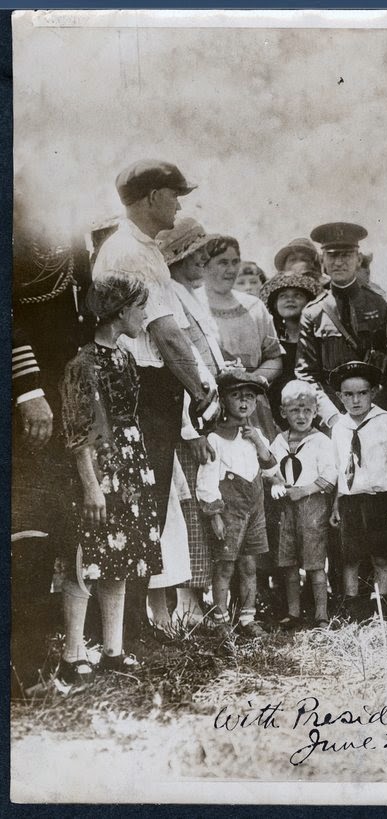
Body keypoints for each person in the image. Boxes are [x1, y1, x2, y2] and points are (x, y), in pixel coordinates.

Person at [91, 159, 216, 637]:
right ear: (151, 198)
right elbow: (164, 332)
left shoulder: (143, 248)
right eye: (174, 195)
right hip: (139, 386)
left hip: (148, 385)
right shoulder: (131, 252)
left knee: (150, 502)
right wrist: (201, 390)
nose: (179, 205)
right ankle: (128, 632)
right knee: (140, 503)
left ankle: (133, 628)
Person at [58, 272, 163, 685]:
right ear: (120, 312)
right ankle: (72, 654)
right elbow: (79, 432)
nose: (144, 316)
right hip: (100, 470)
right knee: (86, 557)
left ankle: (113, 650)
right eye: (140, 308)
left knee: (118, 558)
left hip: (129, 466)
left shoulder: (124, 358)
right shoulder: (82, 365)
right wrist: (91, 486)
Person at [10, 215, 94, 697]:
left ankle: (33, 668)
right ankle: (22, 673)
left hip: (60, 395)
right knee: (26, 530)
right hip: (26, 399)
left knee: (45, 531)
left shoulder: (67, 219)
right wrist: (28, 389)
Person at [156, 217, 224, 626]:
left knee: (204, 506)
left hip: (204, 414)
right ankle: (188, 602)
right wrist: (190, 428)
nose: (204, 260)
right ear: (178, 257)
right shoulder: (171, 295)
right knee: (190, 510)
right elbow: (177, 366)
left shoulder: (193, 296)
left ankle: (200, 599)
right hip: (188, 421)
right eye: (197, 253)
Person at [196, 368, 277, 639]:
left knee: (250, 565)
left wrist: (258, 441)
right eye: (236, 395)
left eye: (250, 397)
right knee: (225, 566)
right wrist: (215, 515)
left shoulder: (255, 435)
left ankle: (247, 617)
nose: (244, 402)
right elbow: (207, 480)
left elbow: (271, 468)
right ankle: (220, 619)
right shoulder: (215, 439)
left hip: (254, 509)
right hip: (229, 511)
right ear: (224, 399)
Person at [329, 361, 387, 618]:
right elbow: (339, 470)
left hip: (380, 499)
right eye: (349, 394)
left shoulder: (385, 420)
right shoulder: (339, 427)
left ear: (373, 392)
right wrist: (336, 504)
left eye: (362, 393)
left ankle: (382, 610)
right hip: (350, 501)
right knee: (350, 558)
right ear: (340, 396)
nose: (356, 400)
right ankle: (353, 611)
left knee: (380, 557)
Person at [295, 222, 387, 428]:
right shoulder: (313, 313)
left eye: (346, 255)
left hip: (375, 411)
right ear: (323, 260)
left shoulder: (379, 304)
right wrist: (332, 417)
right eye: (332, 256)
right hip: (333, 414)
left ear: (358, 259)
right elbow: (306, 374)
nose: (338, 262)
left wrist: (376, 409)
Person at [197, 234, 284, 440]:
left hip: (252, 407)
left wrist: (250, 381)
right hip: (210, 405)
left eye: (235, 262)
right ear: (205, 265)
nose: (231, 269)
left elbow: (275, 359)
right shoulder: (194, 306)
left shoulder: (254, 307)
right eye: (223, 262)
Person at [264, 380, 336, 628]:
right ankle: (293, 613)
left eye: (307, 410)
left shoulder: (321, 441)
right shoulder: (279, 441)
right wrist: (276, 482)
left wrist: (304, 491)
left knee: (315, 562)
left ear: (316, 411)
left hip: (312, 506)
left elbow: (330, 475)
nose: (301, 416)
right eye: (295, 410)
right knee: (289, 562)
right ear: (283, 412)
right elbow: (269, 467)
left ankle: (321, 614)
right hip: (286, 507)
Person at [260, 271, 321, 419]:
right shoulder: (269, 339)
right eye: (283, 296)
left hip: (312, 408)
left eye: (297, 295)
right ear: (274, 304)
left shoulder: (318, 338)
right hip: (276, 407)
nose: (290, 300)